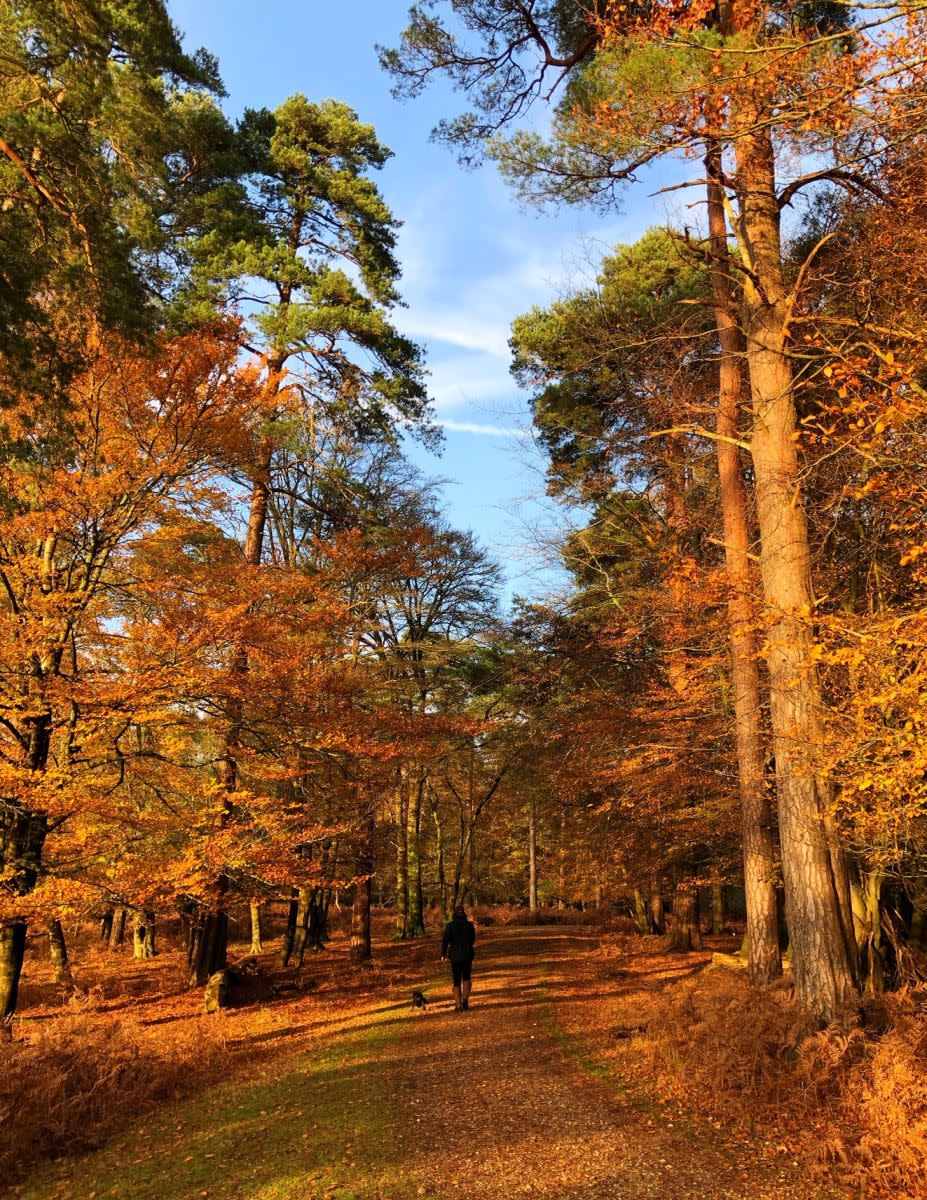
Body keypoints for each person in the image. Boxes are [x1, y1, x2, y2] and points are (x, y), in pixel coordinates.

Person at [441, 904, 476, 1011]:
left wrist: (443, 954)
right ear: (464, 914)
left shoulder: (450, 926)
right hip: (467, 954)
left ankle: (458, 1005)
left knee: (456, 979)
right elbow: (472, 940)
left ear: (454, 915)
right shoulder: (470, 925)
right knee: (466, 977)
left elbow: (445, 941)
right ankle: (465, 1000)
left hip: (455, 956)